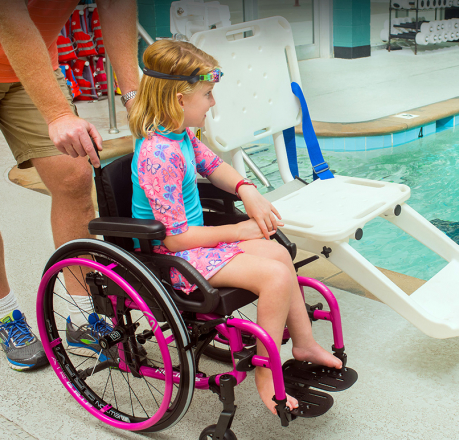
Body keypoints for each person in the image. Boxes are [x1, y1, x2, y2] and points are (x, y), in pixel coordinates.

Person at [128, 40, 343, 415]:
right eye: (208, 95)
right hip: (172, 258)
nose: (213, 103)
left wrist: (248, 190)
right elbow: (175, 237)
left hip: (195, 247)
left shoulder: (180, 137)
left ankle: (304, 343)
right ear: (180, 99)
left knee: (278, 251)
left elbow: (214, 167)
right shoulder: (158, 155)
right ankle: (265, 374)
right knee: (274, 277)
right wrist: (240, 230)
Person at [0, 0, 139, 370]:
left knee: (74, 178)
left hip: (33, 63)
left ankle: (80, 318)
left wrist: (133, 95)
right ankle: (5, 315)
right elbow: (5, 9)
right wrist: (59, 113)